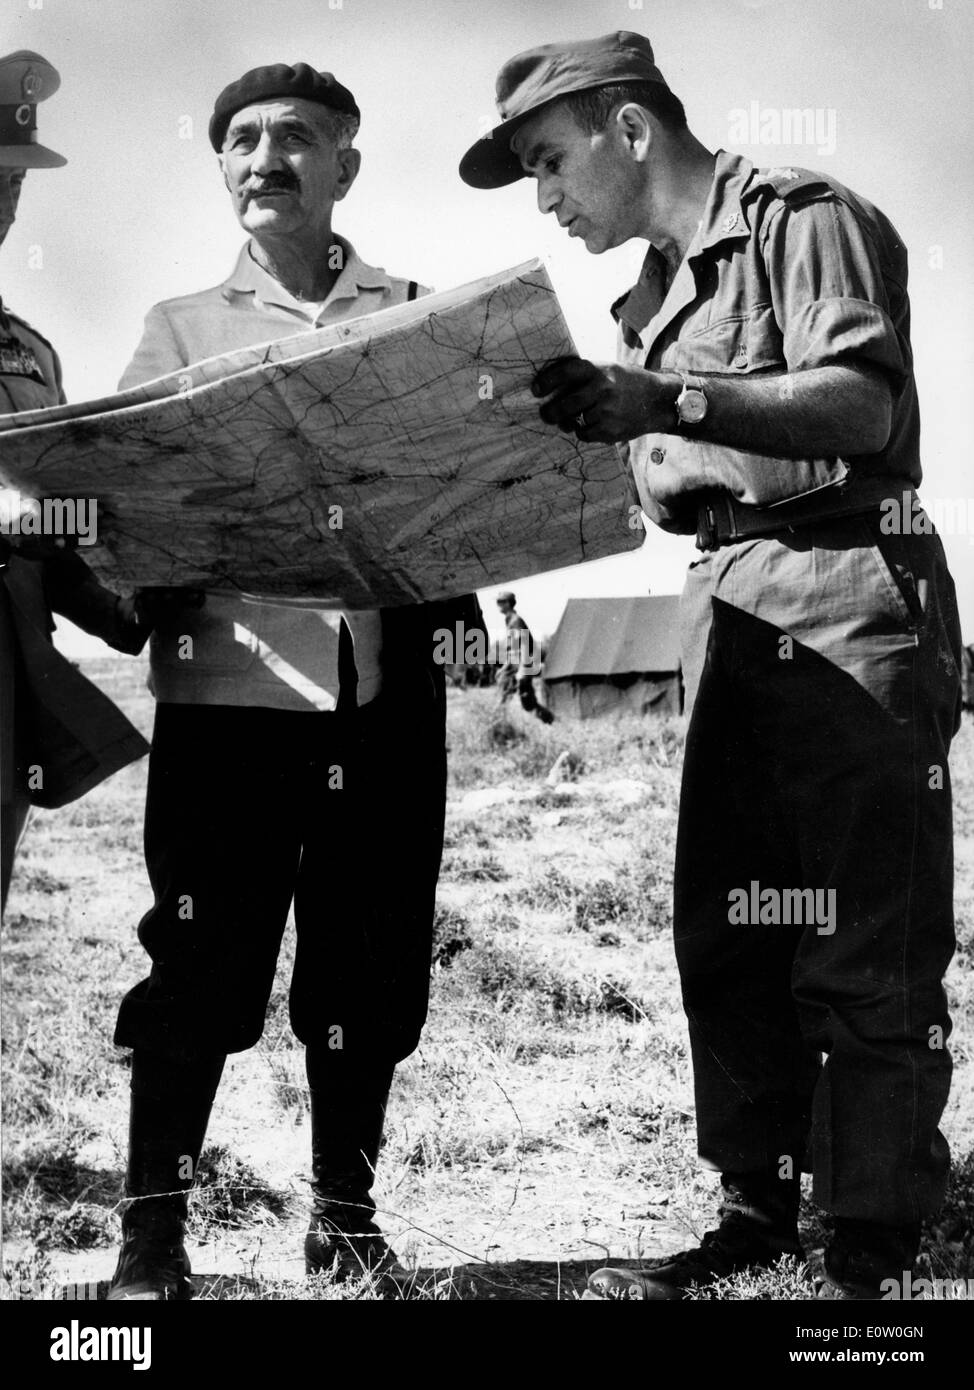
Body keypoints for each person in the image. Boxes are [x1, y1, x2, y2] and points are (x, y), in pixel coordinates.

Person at [462, 31, 963, 1301]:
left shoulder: (799, 217)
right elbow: (673, 492)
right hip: (723, 604)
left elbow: (861, 406)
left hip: (846, 585)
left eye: (547, 160)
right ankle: (754, 1211)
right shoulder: (650, 295)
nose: (545, 198)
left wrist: (670, 407)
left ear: (629, 130)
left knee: (859, 935)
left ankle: (869, 1243)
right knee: (732, 931)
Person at [109, 60, 481, 1301]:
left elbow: (459, 498)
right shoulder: (176, 331)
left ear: (345, 167)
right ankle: (152, 1236)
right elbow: (132, 512)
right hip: (225, 713)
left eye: (296, 139)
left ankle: (344, 1213)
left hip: (381, 709)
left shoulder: (414, 316)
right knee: (198, 965)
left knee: (367, 966)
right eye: (242, 142)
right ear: (218, 168)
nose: (266, 159)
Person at [0, 49, 150, 914]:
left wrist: (132, 606)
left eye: (14, 179)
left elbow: (50, 542)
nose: (3, 200)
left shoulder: (29, 349)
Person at [495, 590, 553, 723]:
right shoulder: (510, 620)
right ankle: (499, 724)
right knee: (504, 692)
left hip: (523, 664)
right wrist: (504, 668)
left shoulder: (516, 621)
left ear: (509, 603)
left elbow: (524, 645)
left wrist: (522, 670)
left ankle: (550, 720)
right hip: (515, 663)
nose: (498, 604)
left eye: (501, 601)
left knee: (527, 702)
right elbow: (514, 649)